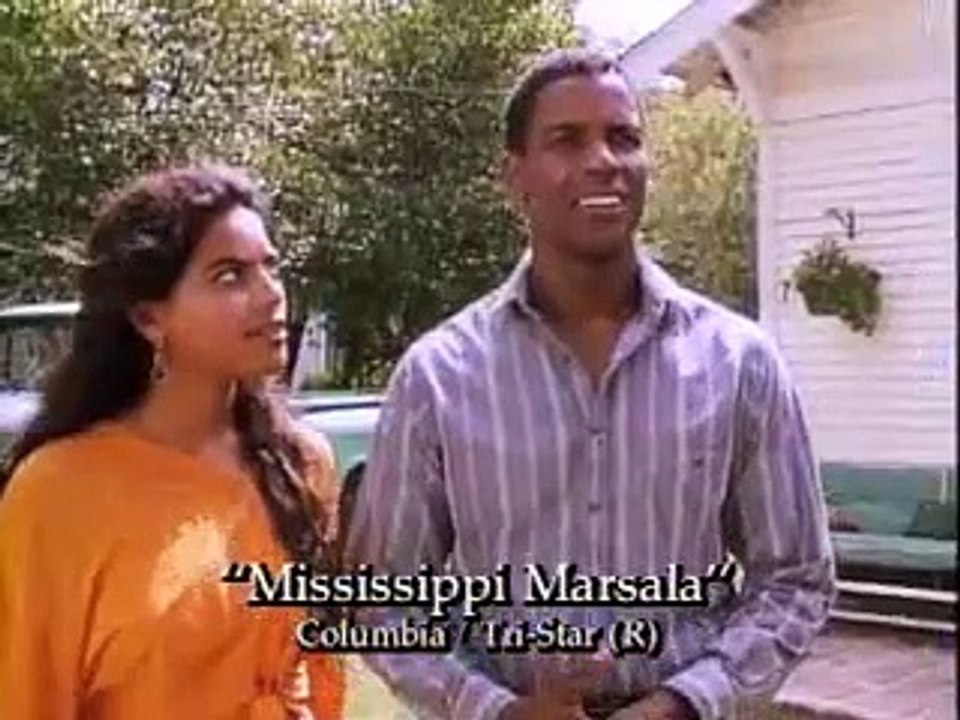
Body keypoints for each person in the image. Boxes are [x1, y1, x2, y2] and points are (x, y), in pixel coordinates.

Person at [346, 48, 836, 720]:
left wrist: (686, 701)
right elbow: (383, 602)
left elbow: (796, 578)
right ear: (515, 176)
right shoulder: (438, 376)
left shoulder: (738, 361)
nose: (603, 160)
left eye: (623, 138)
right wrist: (496, 709)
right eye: (567, 140)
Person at [0, 164, 345, 719]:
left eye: (271, 267)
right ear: (148, 319)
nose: (271, 296)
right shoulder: (57, 492)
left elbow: (317, 673)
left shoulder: (300, 464)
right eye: (230, 276)